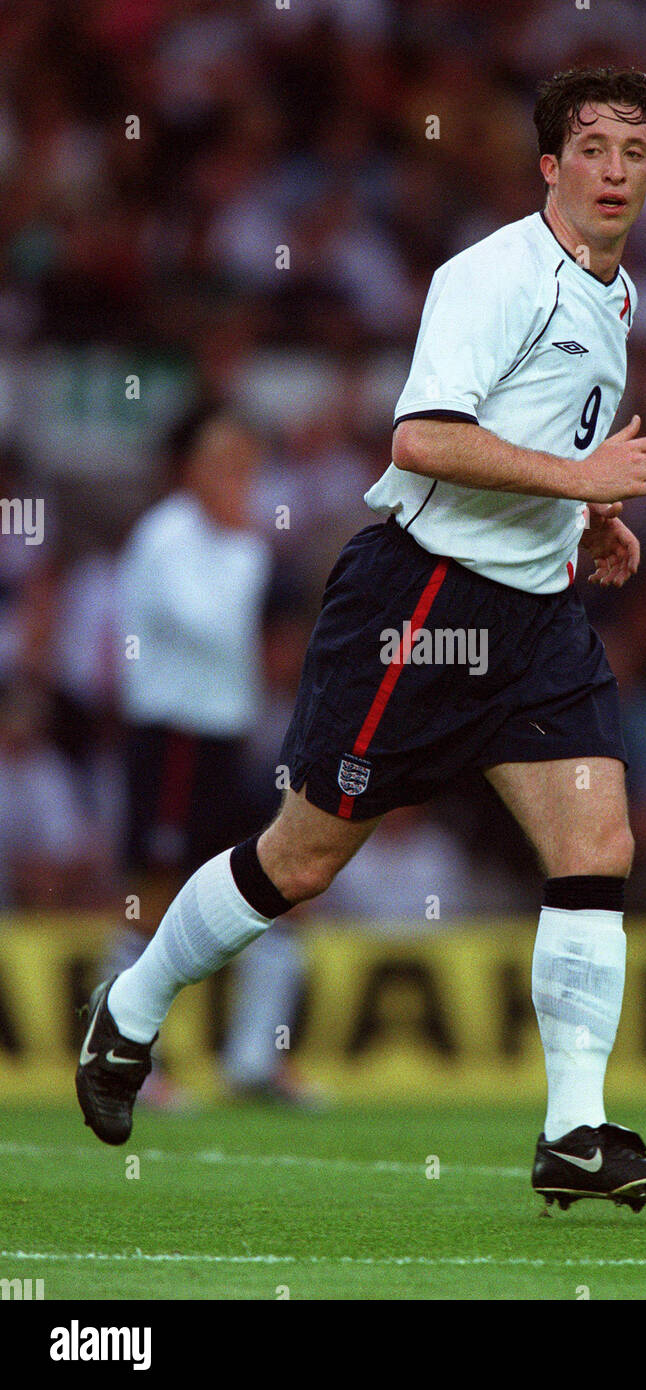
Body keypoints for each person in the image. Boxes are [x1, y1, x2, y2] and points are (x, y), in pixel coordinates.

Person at [77, 65, 646, 1214]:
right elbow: (419, 437)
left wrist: (585, 516)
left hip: (534, 618)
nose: (612, 170)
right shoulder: (494, 276)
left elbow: (531, 431)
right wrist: (582, 478)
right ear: (549, 166)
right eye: (590, 148)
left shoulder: (616, 295)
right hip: (422, 600)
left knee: (595, 838)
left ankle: (572, 1131)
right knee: (299, 859)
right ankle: (135, 1007)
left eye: (632, 151)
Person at [103, 405, 315, 1109]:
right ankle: (127, 1057)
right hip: (172, 738)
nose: (237, 475)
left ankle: (255, 1060)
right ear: (189, 467)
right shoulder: (168, 536)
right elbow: (215, 629)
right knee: (154, 895)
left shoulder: (242, 544)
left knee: (284, 884)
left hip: (227, 741)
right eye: (222, 461)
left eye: (244, 462)